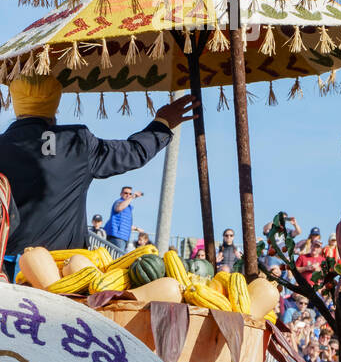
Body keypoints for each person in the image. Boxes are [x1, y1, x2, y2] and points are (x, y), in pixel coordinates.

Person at [0, 75, 196, 253]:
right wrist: (162, 123)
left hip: (7, 269)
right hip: (62, 273)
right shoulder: (78, 141)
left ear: (18, 107)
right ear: (54, 109)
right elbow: (133, 152)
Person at [105, 186, 143, 251]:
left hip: (124, 237)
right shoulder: (119, 202)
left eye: (130, 194)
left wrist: (136, 228)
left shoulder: (128, 207)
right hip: (117, 236)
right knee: (117, 258)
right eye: (126, 193)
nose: (128, 195)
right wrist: (132, 197)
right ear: (121, 194)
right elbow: (119, 208)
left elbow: (124, 224)